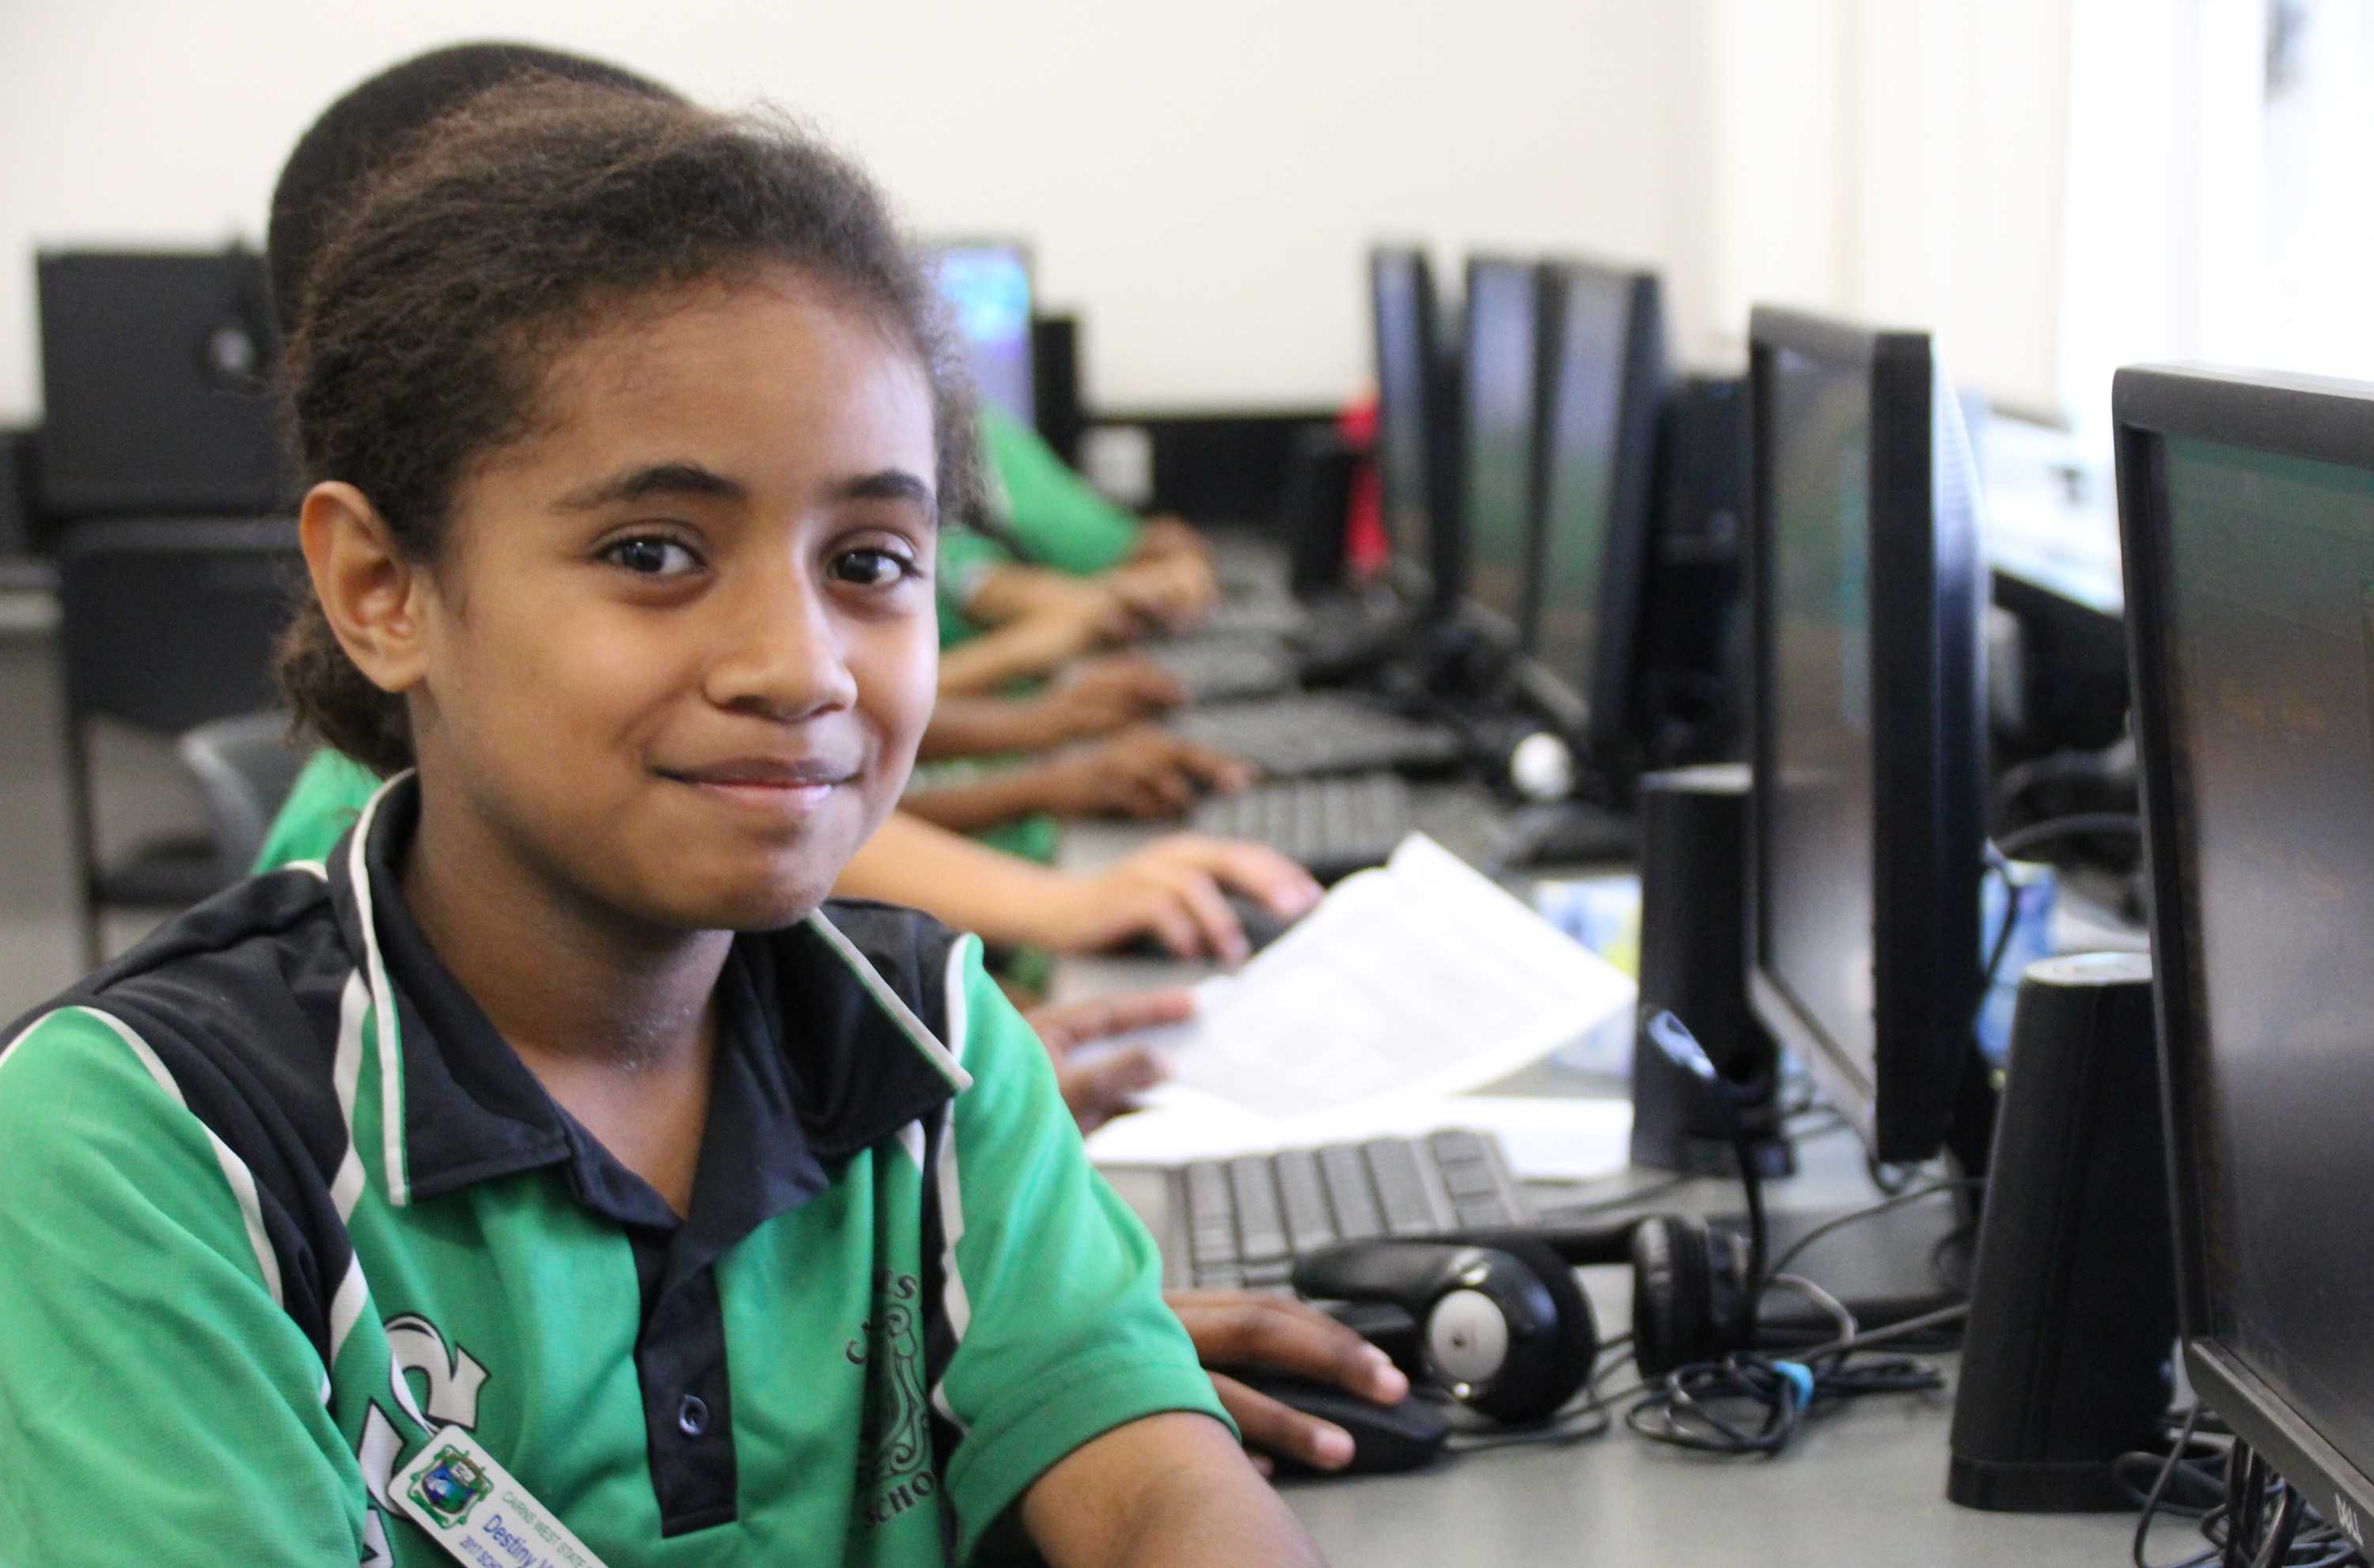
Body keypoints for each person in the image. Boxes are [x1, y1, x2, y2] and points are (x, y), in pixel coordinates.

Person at [0, 79, 1332, 1565]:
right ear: (382, 586)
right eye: (654, 551)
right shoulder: (142, 1140)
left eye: (874, 560)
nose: (801, 665)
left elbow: (1163, 1490)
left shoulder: (932, 1039)